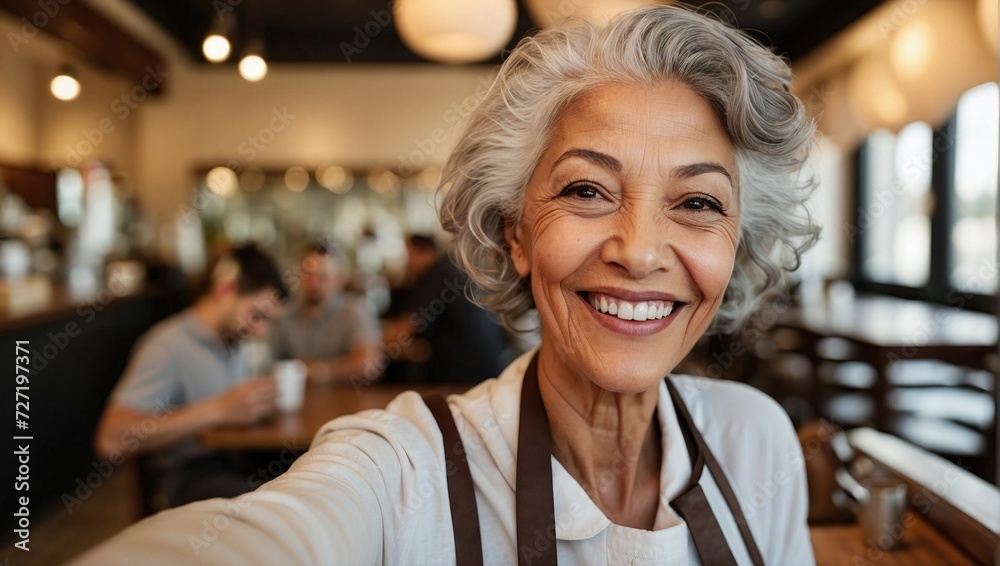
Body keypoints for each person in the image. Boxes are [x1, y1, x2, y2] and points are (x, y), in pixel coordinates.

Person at [76, 6, 818, 564]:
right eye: (588, 190)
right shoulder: (404, 469)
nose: (640, 250)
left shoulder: (757, 443)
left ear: (737, 244)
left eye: (698, 203)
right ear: (515, 234)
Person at [93, 244, 289, 507]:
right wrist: (219, 409)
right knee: (279, 506)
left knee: (305, 475)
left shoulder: (232, 342)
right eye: (257, 315)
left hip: (234, 460)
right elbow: (111, 439)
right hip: (189, 477)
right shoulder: (166, 346)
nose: (260, 331)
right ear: (225, 289)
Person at [383, 234, 507, 384]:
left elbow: (404, 330)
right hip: (487, 373)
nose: (406, 264)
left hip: (462, 380)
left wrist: (373, 335)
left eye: (408, 255)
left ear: (425, 250)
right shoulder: (453, 268)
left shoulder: (438, 275)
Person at [270, 244, 381, 384]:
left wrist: (319, 371)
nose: (313, 285)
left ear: (339, 279)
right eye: (308, 276)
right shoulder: (284, 314)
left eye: (323, 277)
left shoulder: (355, 312)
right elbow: (269, 364)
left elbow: (368, 365)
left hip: (347, 400)